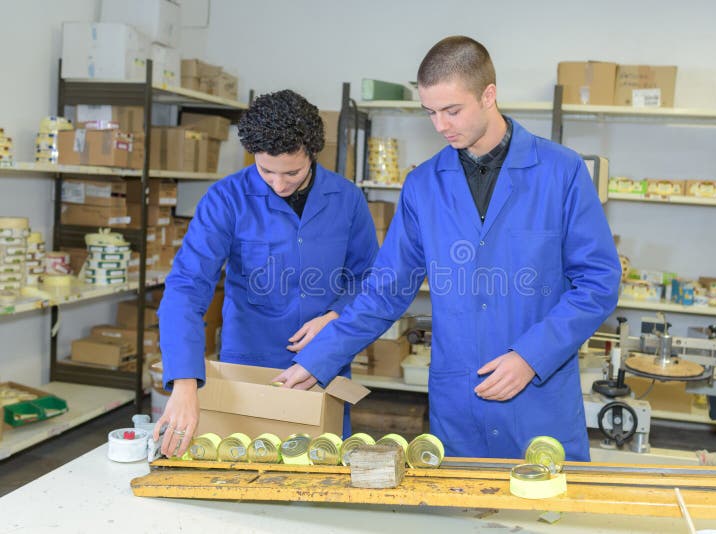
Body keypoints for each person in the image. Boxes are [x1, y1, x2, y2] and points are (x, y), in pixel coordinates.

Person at [277, 36, 621, 461]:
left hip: (538, 398)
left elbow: (598, 282)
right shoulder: (423, 185)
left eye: (452, 110)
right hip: (459, 404)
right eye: (430, 112)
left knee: (545, 518)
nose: (440, 125)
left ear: (489, 94)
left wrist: (532, 356)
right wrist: (320, 358)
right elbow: (387, 288)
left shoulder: (560, 172)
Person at [154, 90, 379, 457]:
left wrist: (336, 316)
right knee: (246, 473)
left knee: (319, 474)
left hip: (325, 359)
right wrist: (183, 382)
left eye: (292, 172)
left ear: (312, 152)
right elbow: (186, 289)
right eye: (266, 171)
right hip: (249, 365)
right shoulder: (225, 199)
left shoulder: (347, 199)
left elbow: (366, 277)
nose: (278, 184)